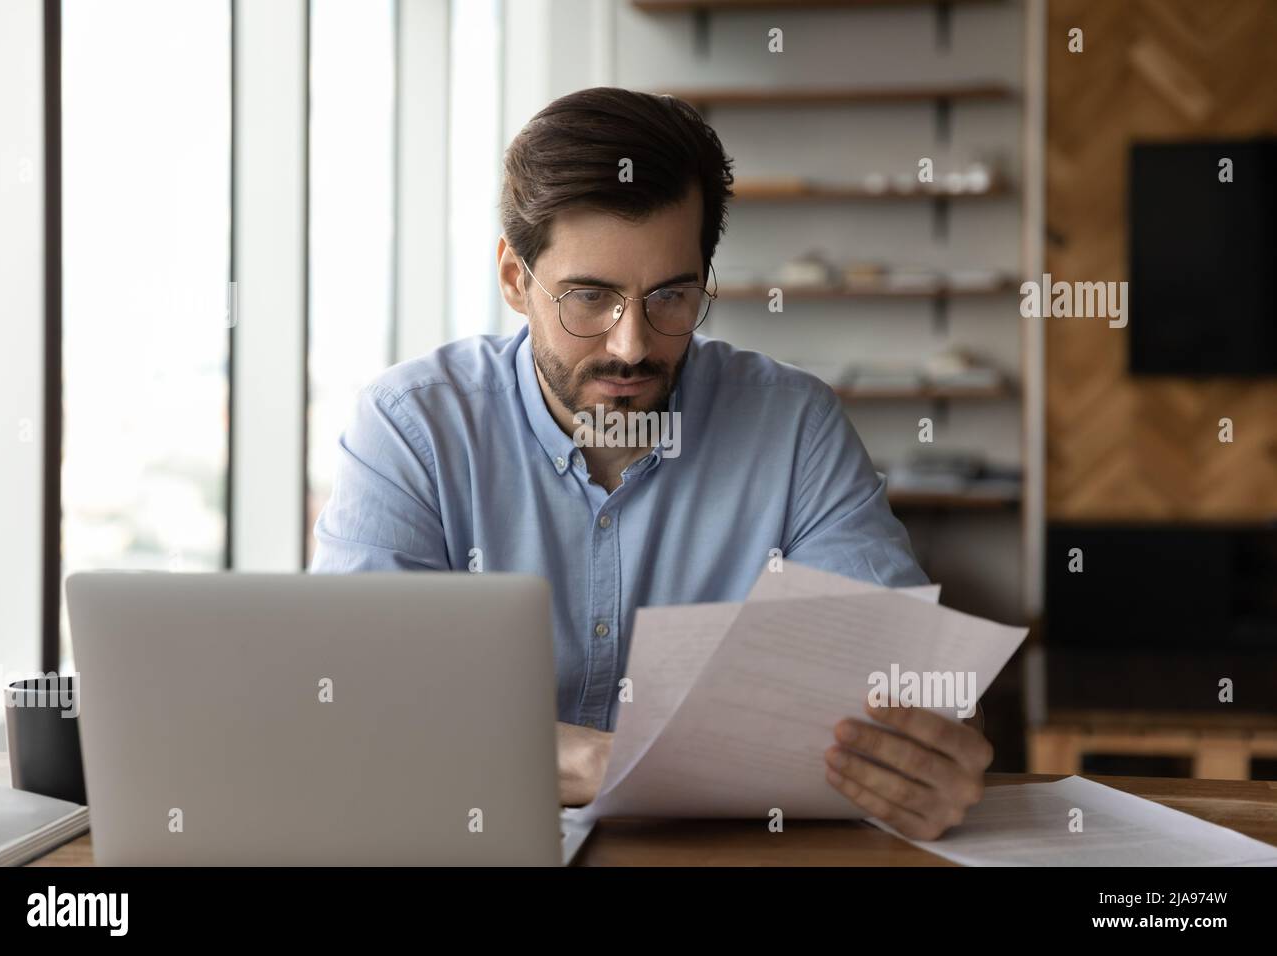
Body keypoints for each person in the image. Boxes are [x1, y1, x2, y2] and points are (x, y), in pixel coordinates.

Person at [310, 87, 991, 840]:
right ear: (514, 280)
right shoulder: (413, 428)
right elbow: (354, 708)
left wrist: (929, 755)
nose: (631, 344)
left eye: (670, 296)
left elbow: (906, 684)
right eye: (589, 299)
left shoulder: (793, 426)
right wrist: (595, 763)